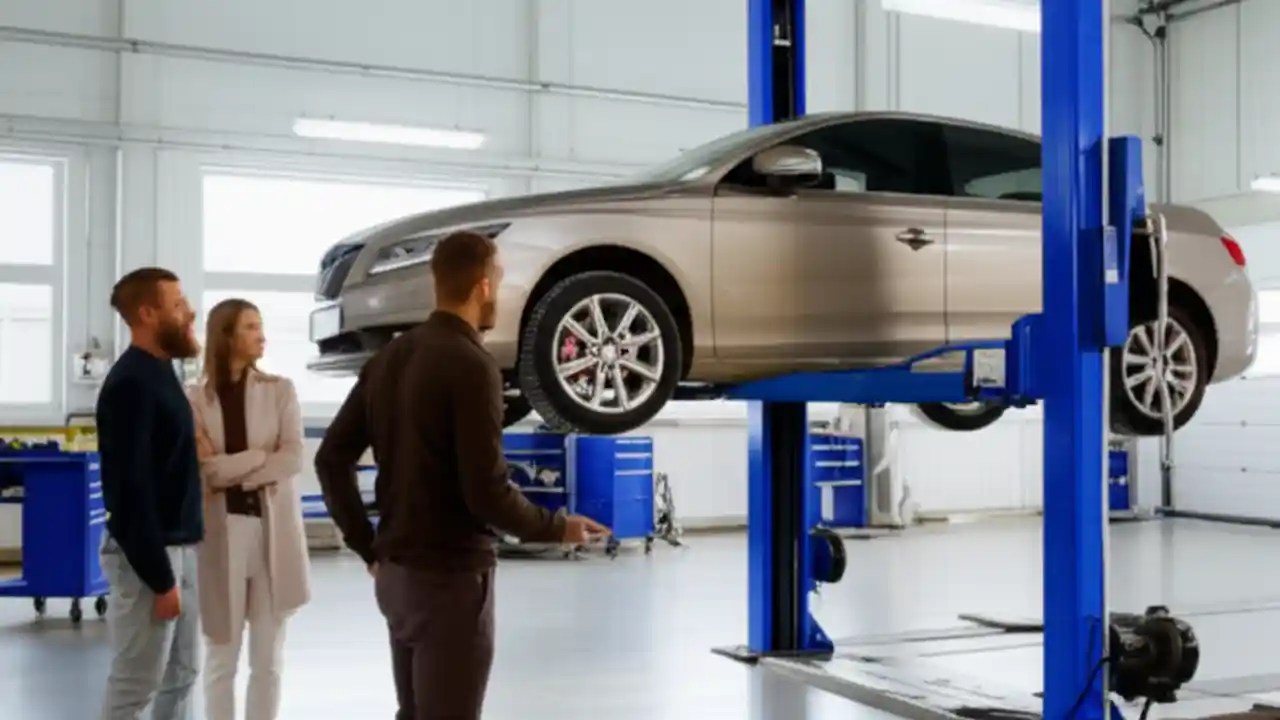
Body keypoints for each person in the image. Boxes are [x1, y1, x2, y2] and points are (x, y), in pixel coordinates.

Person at [315, 230, 611, 720]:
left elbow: (331, 459)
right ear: (484, 286)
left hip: (397, 578)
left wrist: (365, 544)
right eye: (497, 276)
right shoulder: (472, 364)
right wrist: (557, 527)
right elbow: (486, 493)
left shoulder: (389, 358)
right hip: (448, 581)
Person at [187, 298, 312, 720]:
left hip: (272, 533)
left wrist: (232, 470)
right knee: (221, 655)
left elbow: (293, 458)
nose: (262, 335)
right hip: (221, 534)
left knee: (268, 658)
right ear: (226, 336)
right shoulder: (194, 399)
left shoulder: (281, 390)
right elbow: (203, 471)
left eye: (261, 326)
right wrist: (258, 458)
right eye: (251, 327)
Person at [97, 267, 203, 720]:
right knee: (136, 683)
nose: (189, 310)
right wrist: (161, 579)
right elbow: (130, 493)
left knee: (181, 675)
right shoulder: (130, 384)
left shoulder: (162, 373)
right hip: (149, 557)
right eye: (177, 304)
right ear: (147, 313)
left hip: (179, 547)